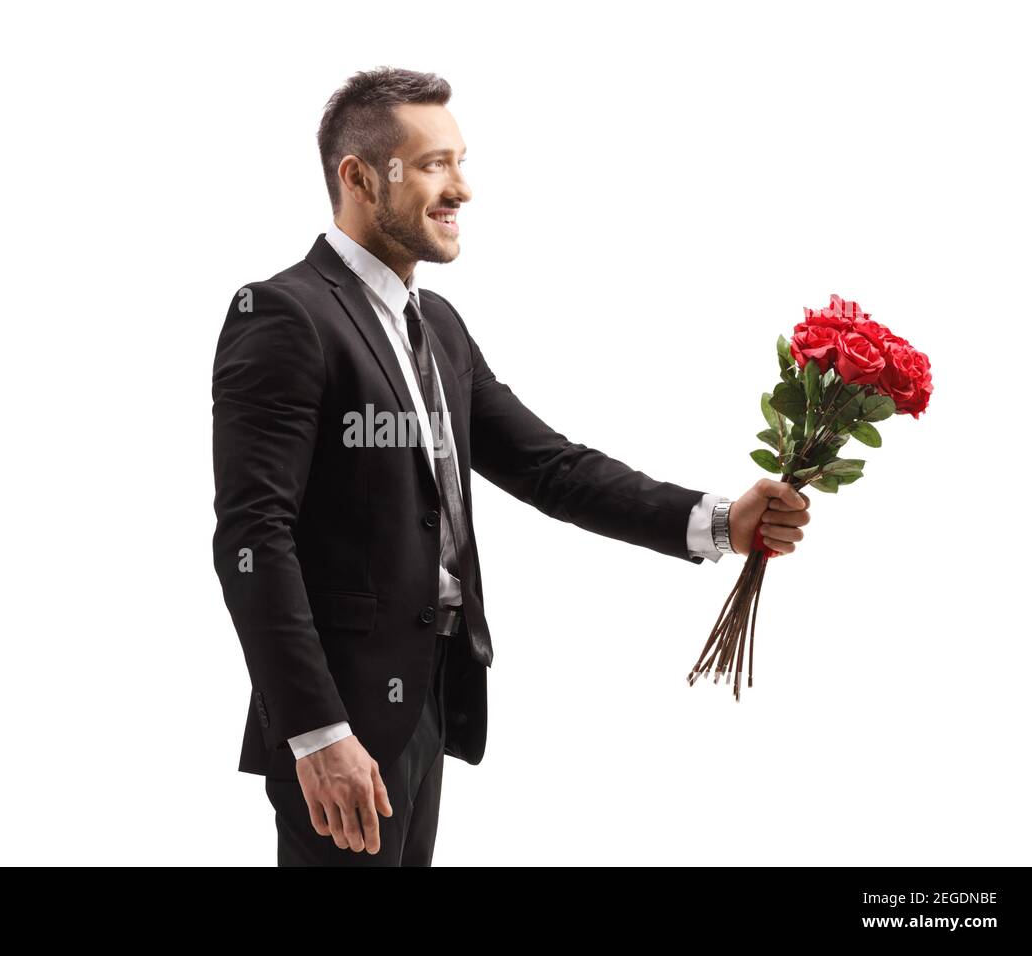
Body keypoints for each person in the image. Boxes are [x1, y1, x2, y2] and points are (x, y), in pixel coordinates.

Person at [210, 67, 812, 866]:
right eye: (433, 164)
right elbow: (254, 535)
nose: (462, 187)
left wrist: (715, 521)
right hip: (342, 715)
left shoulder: (441, 328)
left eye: (460, 160)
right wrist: (316, 733)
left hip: (427, 696)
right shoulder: (287, 315)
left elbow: (550, 468)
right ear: (358, 178)